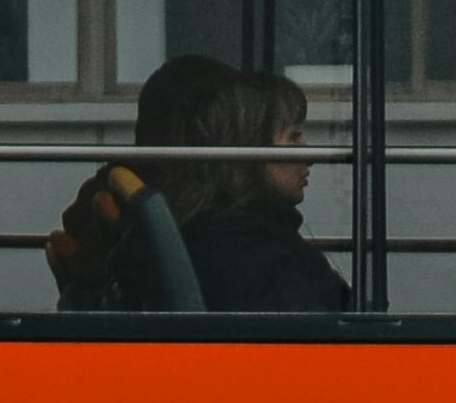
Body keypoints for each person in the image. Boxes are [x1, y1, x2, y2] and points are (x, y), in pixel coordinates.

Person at [50, 55, 347, 316]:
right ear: (242, 144)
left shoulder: (139, 215)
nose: (308, 155)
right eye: (293, 137)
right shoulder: (242, 249)